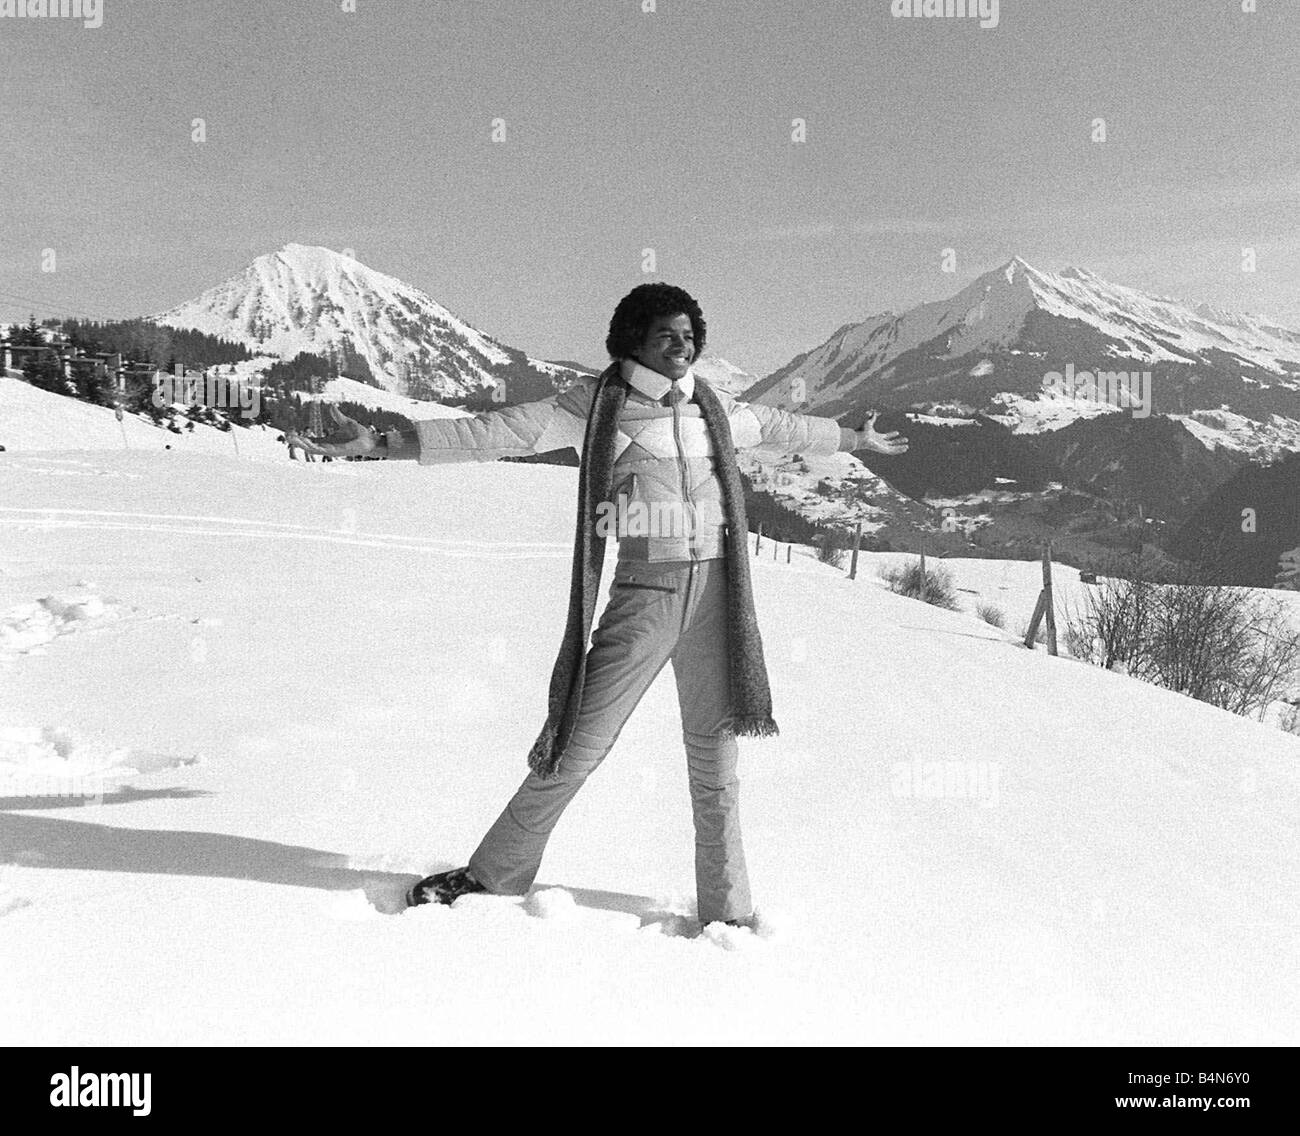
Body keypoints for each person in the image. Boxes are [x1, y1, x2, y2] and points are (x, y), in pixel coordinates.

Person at [290, 284, 908, 928]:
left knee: (717, 760)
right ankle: (495, 873)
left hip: (721, 600)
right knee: (579, 743)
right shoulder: (590, 407)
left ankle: (727, 911)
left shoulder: (714, 408)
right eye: (666, 335)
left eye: (689, 335)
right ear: (633, 339)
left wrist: (853, 438)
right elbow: (491, 432)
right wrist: (384, 442)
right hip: (647, 595)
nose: (681, 346)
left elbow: (784, 426)